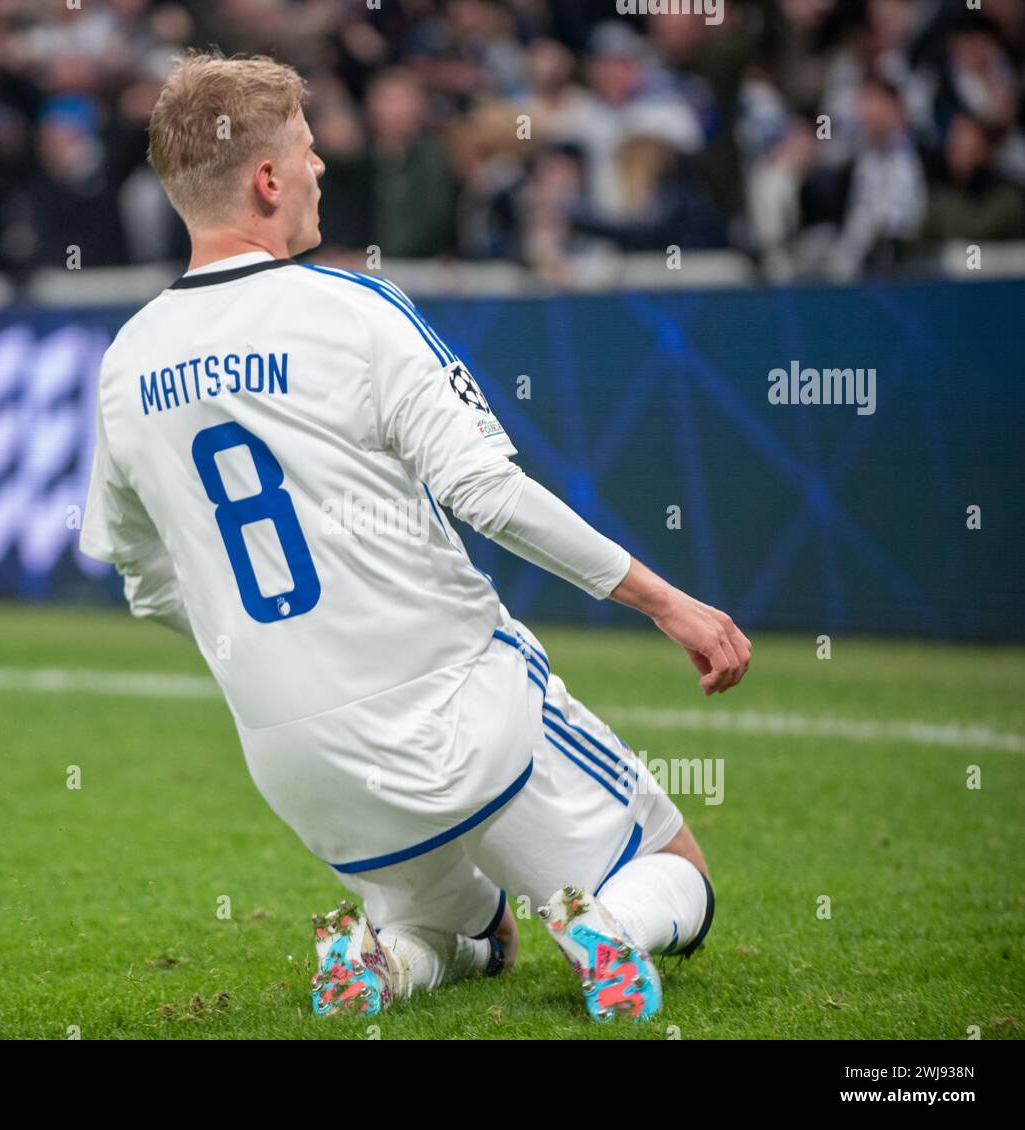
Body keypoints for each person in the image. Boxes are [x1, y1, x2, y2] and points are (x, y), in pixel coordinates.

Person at [80, 51, 751, 1023]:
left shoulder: (125, 360)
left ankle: (385, 958)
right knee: (674, 870)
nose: (319, 171)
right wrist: (666, 600)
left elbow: (144, 580)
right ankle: (605, 920)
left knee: (477, 933)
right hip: (457, 706)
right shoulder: (353, 310)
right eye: (307, 152)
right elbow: (485, 489)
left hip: (299, 754)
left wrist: (269, 653)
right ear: (267, 178)